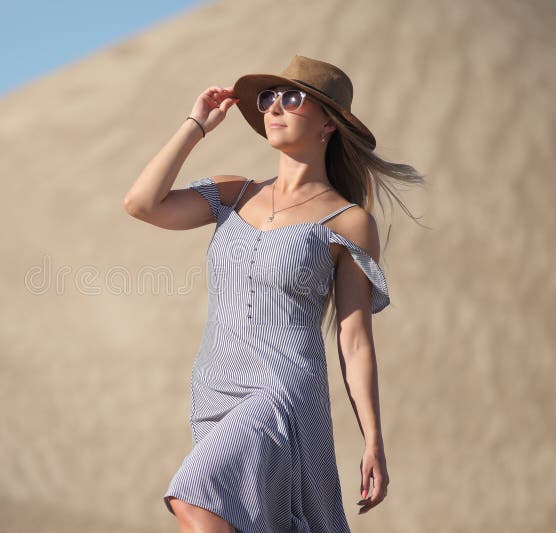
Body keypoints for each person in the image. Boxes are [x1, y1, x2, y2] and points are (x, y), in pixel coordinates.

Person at [123, 55, 424, 533]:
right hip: (214, 388)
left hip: (280, 389)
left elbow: (355, 339)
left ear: (329, 122)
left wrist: (373, 440)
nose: (274, 107)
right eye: (268, 98)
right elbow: (141, 203)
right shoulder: (233, 193)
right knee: (232, 517)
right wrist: (195, 125)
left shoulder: (348, 221)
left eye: (292, 97)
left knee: (195, 500)